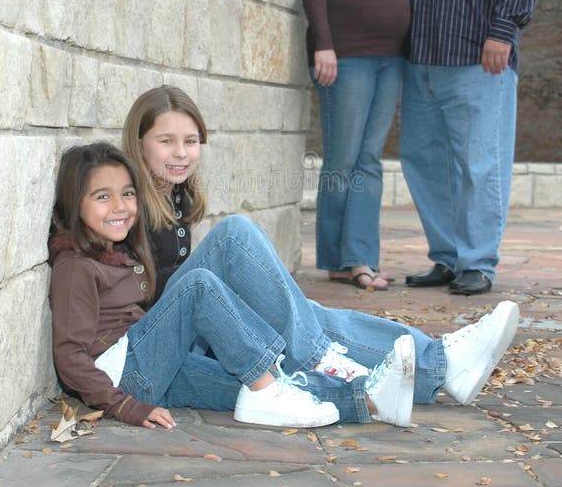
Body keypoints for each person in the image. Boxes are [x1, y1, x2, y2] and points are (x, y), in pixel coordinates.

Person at [80, 83, 521, 429]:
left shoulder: (173, 201)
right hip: (160, 335)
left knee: (300, 311)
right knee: (235, 237)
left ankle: (440, 364)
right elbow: (139, 300)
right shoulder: (127, 206)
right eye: (166, 141)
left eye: (191, 141)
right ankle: (333, 356)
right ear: (138, 145)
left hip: (188, 325)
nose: (181, 153)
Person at [389, 0, 539, 296]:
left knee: (479, 164)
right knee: (423, 162)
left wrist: (503, 31)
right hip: (418, 61)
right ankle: (448, 256)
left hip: (479, 60)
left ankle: (478, 261)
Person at [298, 0, 410, 290]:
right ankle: (340, 259)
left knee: (368, 160)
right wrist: (324, 42)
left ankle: (360, 256)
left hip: (390, 58)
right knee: (343, 160)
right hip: (345, 55)